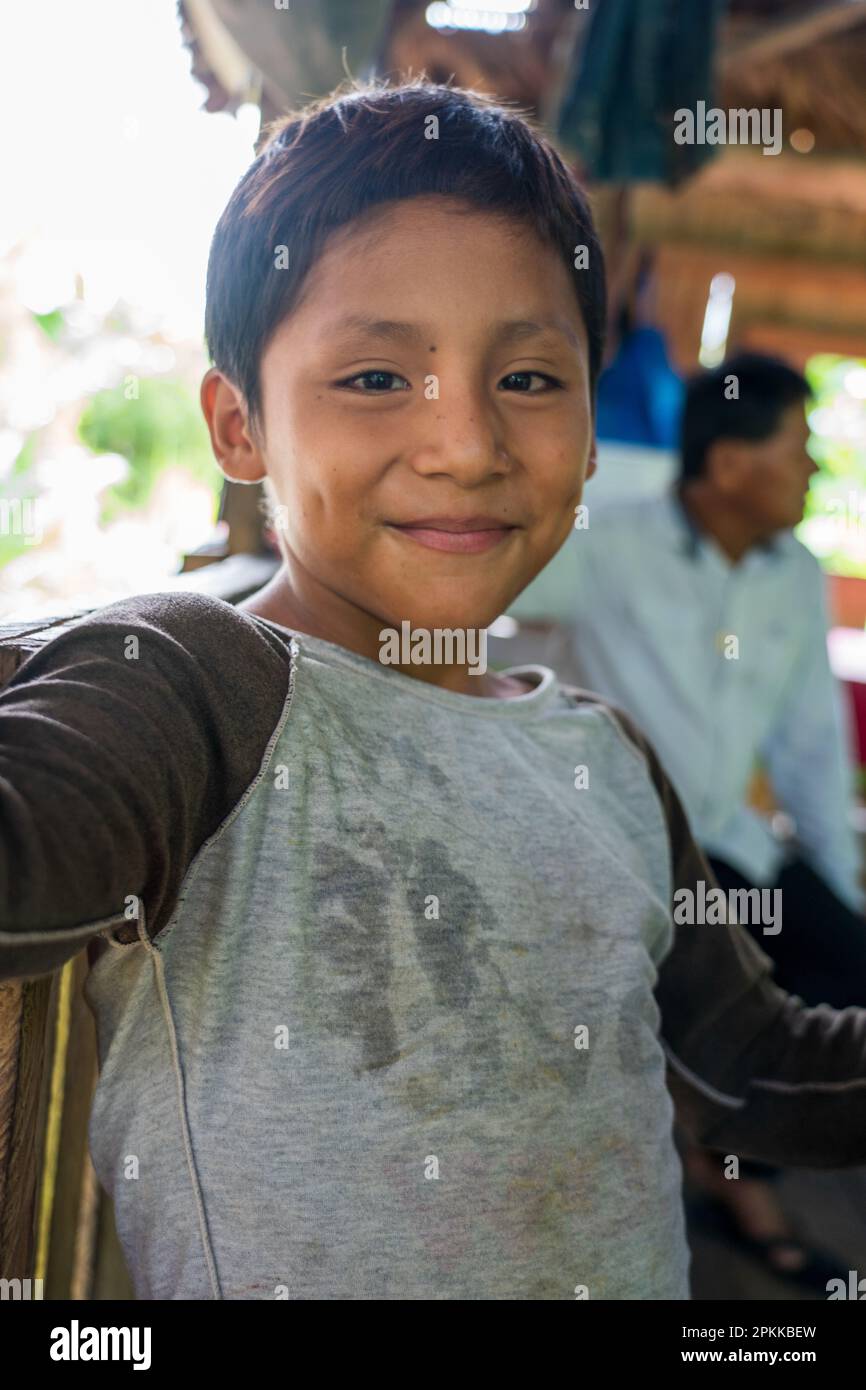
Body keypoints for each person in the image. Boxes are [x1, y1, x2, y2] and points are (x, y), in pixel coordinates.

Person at [2, 84, 866, 1302]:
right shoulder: (192, 684)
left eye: (529, 379)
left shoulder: (606, 758)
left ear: (590, 426)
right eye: (373, 377)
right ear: (239, 425)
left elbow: (750, 1065)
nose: (464, 445)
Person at [508, 350, 866, 1285]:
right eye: (799, 447)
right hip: (624, 843)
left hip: (734, 849)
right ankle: (739, 1188)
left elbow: (811, 744)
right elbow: (480, 607)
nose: (814, 468)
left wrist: (838, 890)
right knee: (725, 980)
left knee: (846, 965)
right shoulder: (605, 543)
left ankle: (725, 1152)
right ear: (730, 463)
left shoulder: (794, 574)